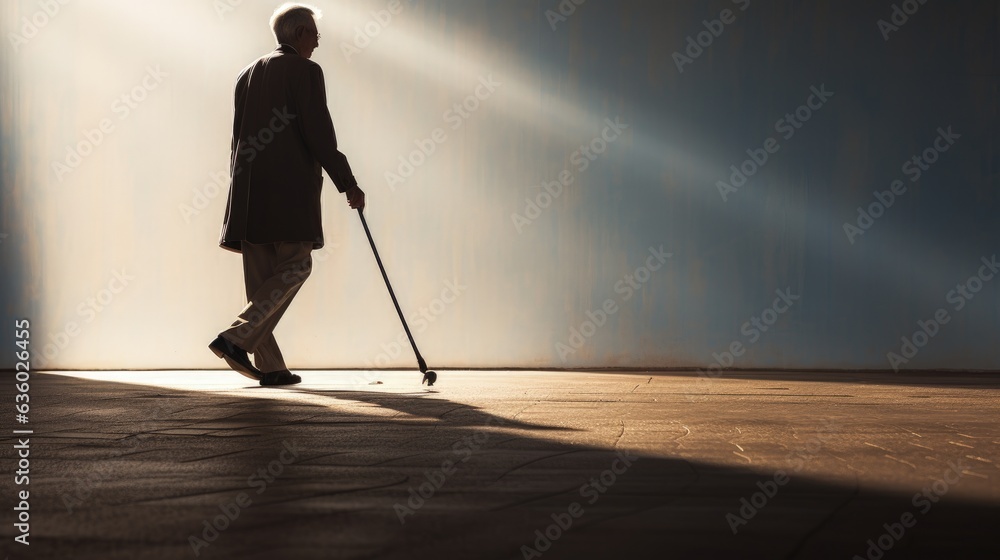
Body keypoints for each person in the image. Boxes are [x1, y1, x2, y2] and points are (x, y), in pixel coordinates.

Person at [209, 3, 365, 386]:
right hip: (289, 193)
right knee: (296, 266)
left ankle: (272, 367)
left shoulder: (246, 74)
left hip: (248, 197)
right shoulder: (306, 71)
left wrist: (236, 201)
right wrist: (348, 183)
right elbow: (318, 134)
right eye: (314, 34)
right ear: (299, 35)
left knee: (262, 284)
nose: (317, 42)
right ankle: (235, 337)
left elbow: (236, 142)